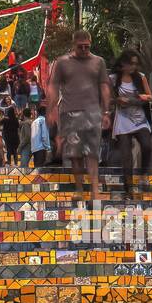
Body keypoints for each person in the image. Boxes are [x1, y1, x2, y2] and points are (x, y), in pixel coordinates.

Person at [47, 30, 112, 201]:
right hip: (70, 113)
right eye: (80, 47)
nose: (84, 49)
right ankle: (79, 189)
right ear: (73, 45)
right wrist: (51, 109)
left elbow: (104, 86)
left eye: (87, 46)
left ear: (90, 43)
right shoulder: (62, 63)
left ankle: (95, 190)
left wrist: (106, 112)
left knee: (92, 154)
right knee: (76, 155)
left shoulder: (99, 62)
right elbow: (53, 85)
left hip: (93, 113)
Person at [107, 50, 152, 200]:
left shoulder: (140, 78)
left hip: (139, 119)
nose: (133, 66)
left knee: (147, 145)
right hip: (123, 120)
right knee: (126, 156)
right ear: (123, 64)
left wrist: (134, 98)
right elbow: (106, 99)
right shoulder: (113, 79)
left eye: (135, 63)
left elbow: (150, 96)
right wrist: (117, 101)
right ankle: (129, 190)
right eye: (131, 63)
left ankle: (143, 174)